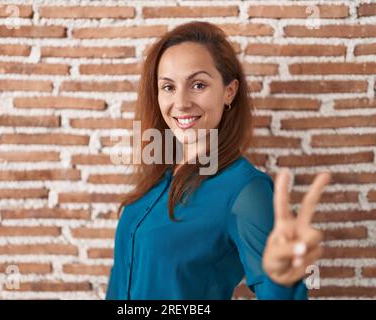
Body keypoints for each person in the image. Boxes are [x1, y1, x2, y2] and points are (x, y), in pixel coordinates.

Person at [105, 21, 331, 300]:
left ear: (229, 91)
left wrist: (282, 282)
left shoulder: (245, 190)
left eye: (198, 84)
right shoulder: (158, 176)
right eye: (168, 87)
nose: (181, 102)